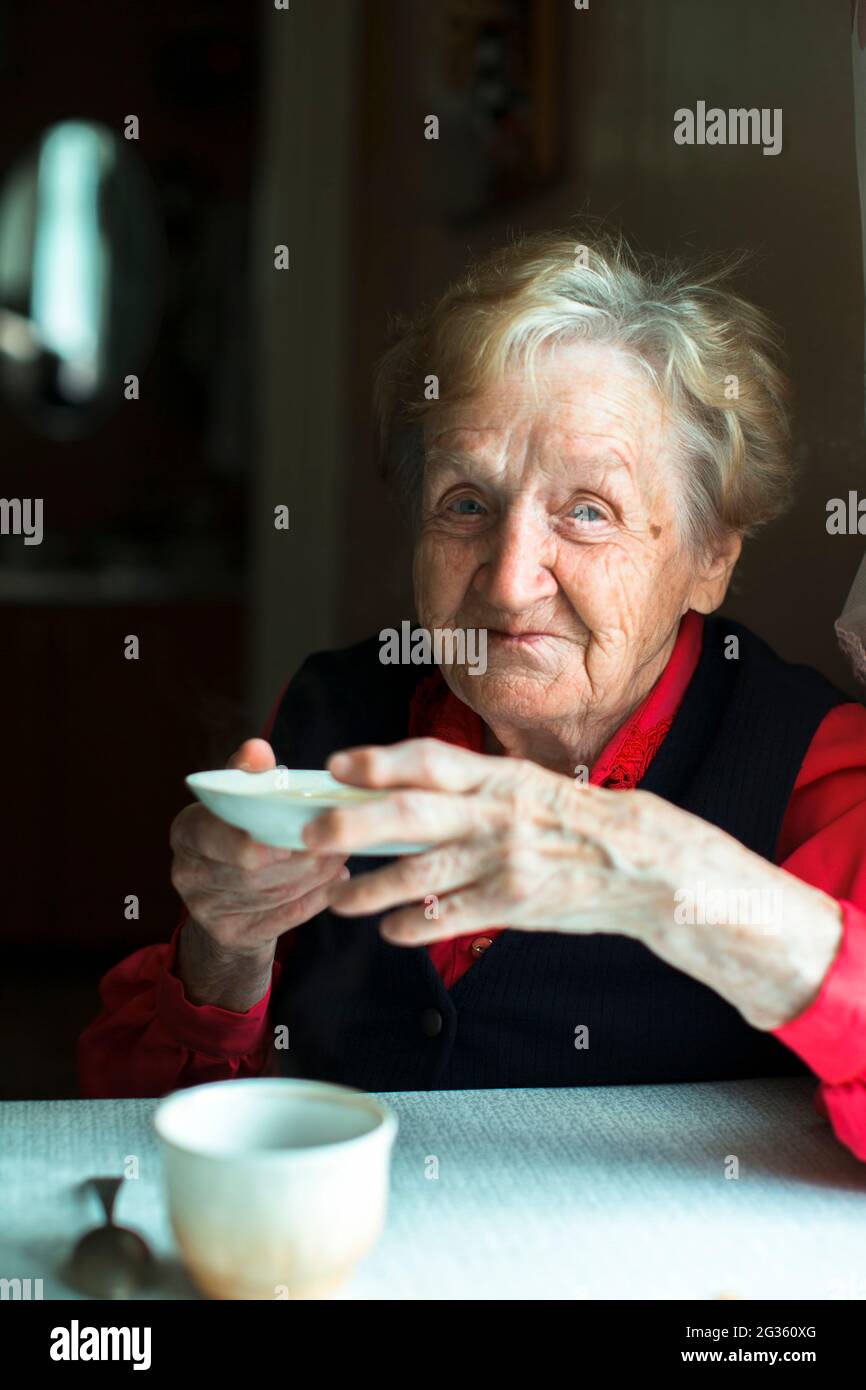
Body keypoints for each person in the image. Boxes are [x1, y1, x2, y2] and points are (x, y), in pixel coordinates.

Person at [79, 228, 866, 1162]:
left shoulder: (812, 762)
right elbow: (129, 1129)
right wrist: (228, 953)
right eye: (466, 503)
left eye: (587, 510)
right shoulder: (333, 716)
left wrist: (665, 875)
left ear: (711, 558)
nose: (508, 580)